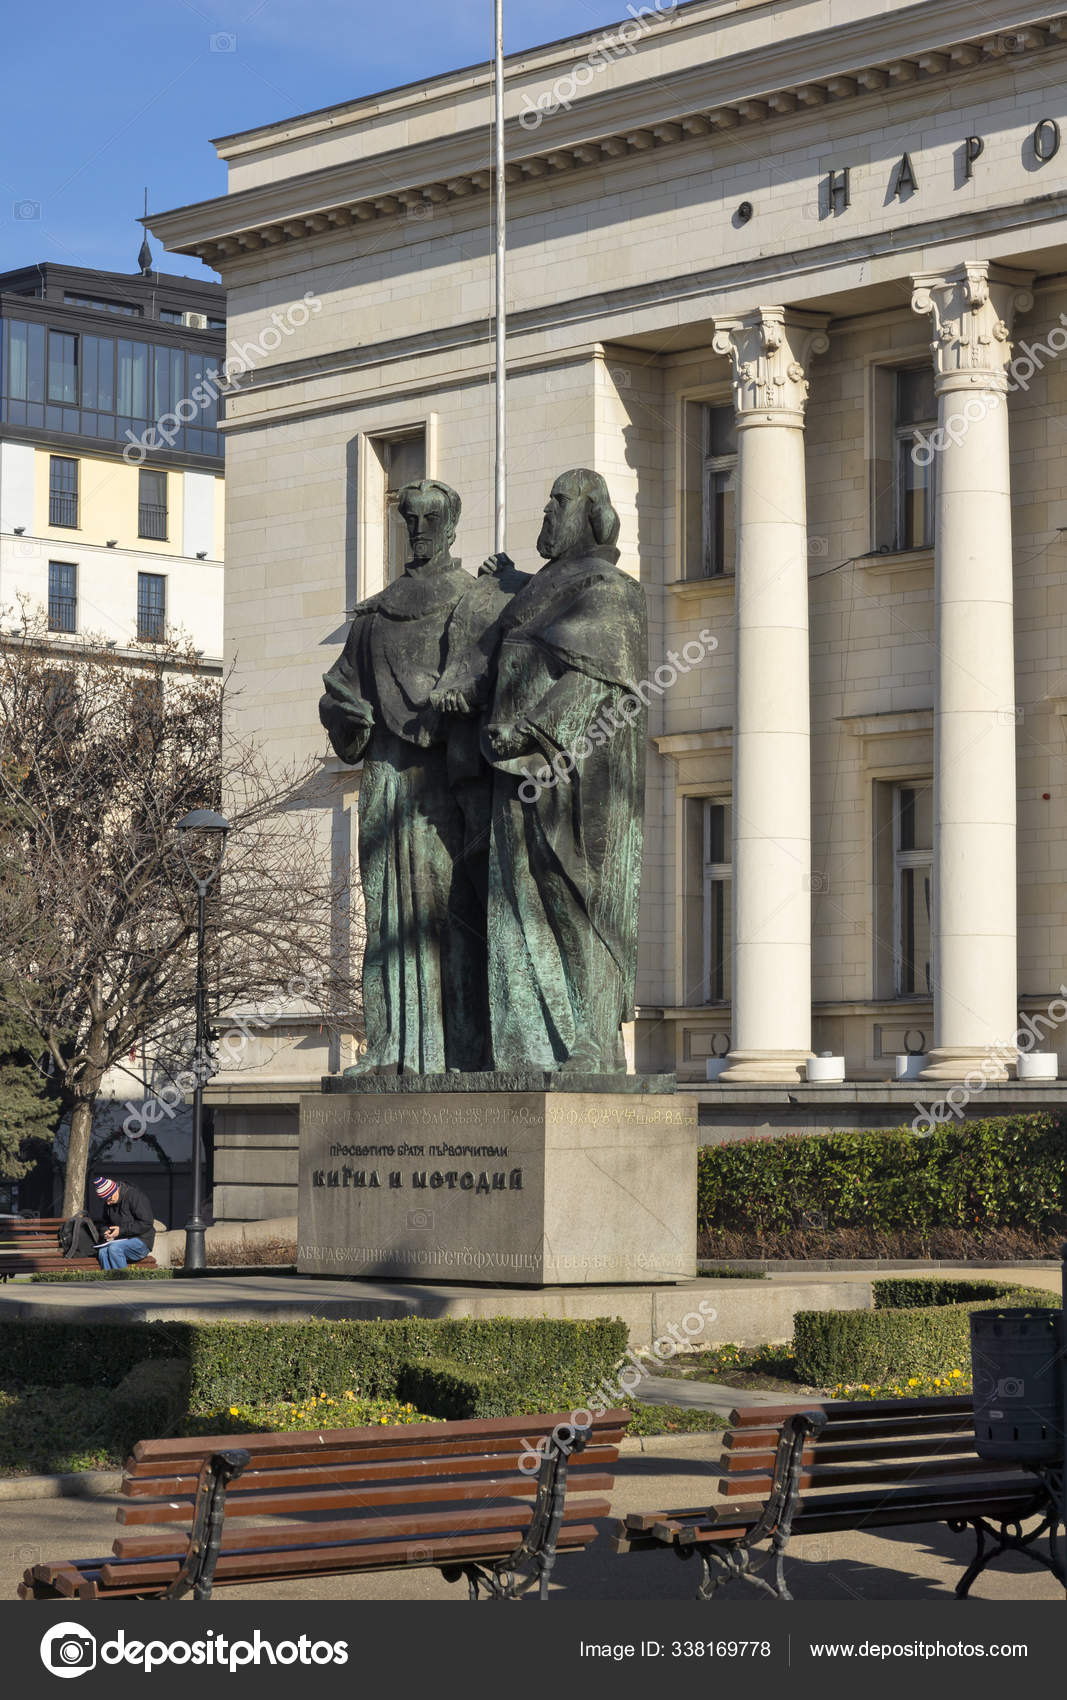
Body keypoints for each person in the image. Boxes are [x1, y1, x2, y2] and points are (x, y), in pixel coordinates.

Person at [319, 480, 523, 1074]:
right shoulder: (375, 614)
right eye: (411, 520)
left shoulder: (475, 601)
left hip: (451, 783)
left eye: (431, 520)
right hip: (388, 773)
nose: (420, 530)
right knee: (387, 913)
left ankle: (460, 1050)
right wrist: (348, 714)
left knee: (454, 912)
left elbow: (512, 667)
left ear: (453, 526)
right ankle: (391, 1048)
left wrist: (513, 585)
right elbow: (339, 689)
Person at [477, 469, 649, 1074]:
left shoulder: (611, 588)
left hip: (576, 775)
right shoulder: (543, 587)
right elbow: (526, 624)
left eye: (558, 502)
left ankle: (595, 1040)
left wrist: (530, 727)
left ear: (592, 513)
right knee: (519, 900)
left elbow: (598, 675)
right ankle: (530, 1043)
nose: (546, 512)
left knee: (576, 899)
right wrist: (506, 583)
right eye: (546, 501)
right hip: (515, 770)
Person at [92, 1175, 154, 1270]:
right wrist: (106, 1231)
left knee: (115, 1249)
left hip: (142, 1241)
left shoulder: (134, 1196)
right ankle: (109, 1282)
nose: (108, 1203)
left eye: (109, 1199)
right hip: (120, 1240)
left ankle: (122, 1282)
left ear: (114, 1191)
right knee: (103, 1252)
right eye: (105, 1200)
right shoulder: (109, 1202)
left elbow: (147, 1223)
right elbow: (105, 1222)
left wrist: (121, 1231)